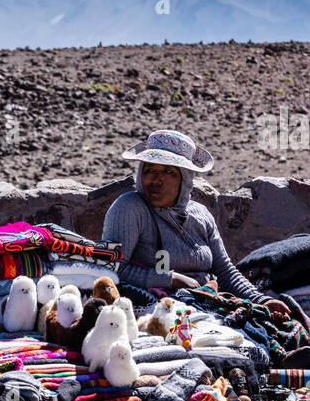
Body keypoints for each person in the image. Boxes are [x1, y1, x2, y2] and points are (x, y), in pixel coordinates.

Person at [101, 129, 291, 318]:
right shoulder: (130, 208)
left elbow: (224, 270)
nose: (156, 180)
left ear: (185, 179)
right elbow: (111, 267)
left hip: (205, 303)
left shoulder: (201, 215)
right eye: (150, 170)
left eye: (168, 172)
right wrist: (172, 279)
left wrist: (261, 300)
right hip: (155, 311)